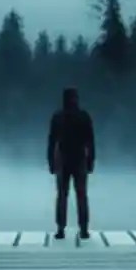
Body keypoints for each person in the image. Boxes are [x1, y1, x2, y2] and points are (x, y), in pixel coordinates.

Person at [47, 87, 94, 240]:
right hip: (76, 159)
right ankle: (82, 229)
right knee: (79, 195)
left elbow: (52, 141)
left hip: (66, 159)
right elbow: (90, 141)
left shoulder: (58, 116)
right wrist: (91, 160)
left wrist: (51, 161)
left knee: (64, 195)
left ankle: (63, 229)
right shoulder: (83, 116)